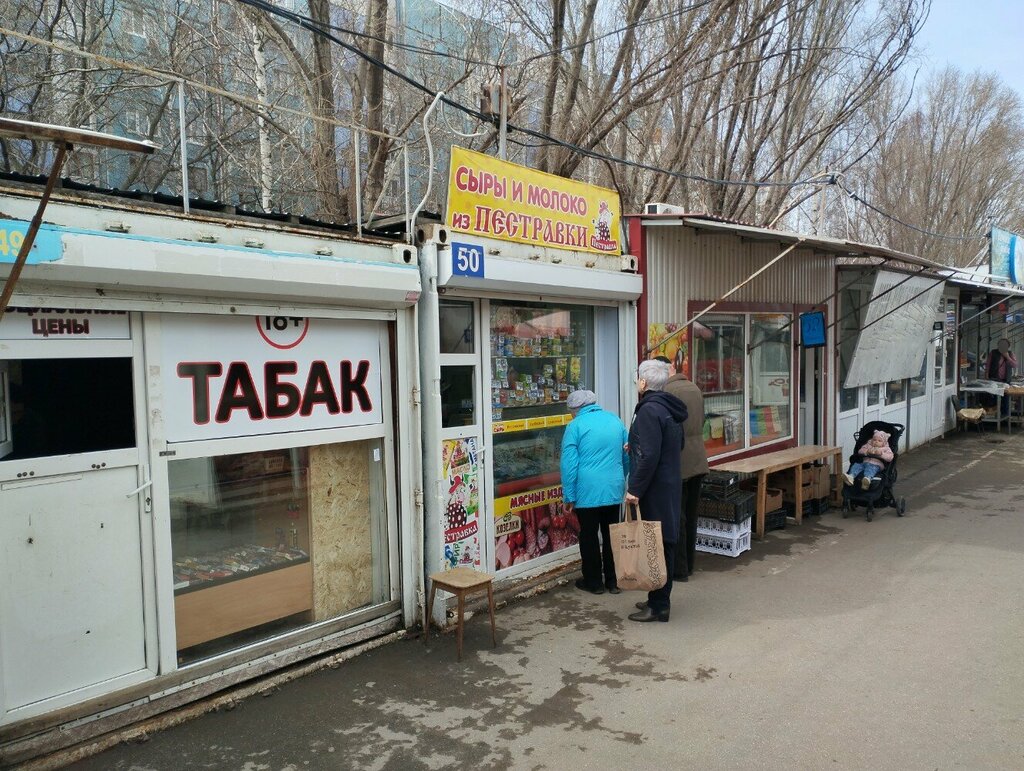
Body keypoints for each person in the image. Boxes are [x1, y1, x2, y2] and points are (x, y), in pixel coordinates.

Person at [625, 359, 687, 622]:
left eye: (638, 377)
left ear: (643, 382)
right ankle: (656, 597)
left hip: (655, 488)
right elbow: (675, 444)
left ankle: (660, 605)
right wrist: (635, 445)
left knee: (658, 544)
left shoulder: (649, 410)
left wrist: (635, 489)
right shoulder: (667, 407)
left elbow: (651, 456)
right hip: (669, 482)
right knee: (662, 541)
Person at [560, 390, 629, 595]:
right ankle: (613, 581)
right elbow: (627, 456)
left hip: (586, 491)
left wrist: (569, 496)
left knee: (589, 535)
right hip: (613, 488)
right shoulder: (615, 421)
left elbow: (569, 465)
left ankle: (593, 582)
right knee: (611, 535)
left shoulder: (575, 427)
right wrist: (619, 477)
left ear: (575, 409)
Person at [656, 355, 708, 582]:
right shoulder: (694, 388)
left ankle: (679, 568)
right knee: (691, 512)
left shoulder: (668, 392)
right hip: (698, 458)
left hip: (679, 460)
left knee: (677, 516)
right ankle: (689, 564)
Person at [986, 338, 1018, 416]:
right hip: (994, 379)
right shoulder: (993, 353)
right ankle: (994, 415)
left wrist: (1007, 357)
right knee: (994, 398)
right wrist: (986, 375)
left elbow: (1015, 365)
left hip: (1006, 380)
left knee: (1005, 399)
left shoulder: (1010, 354)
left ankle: (1005, 416)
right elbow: (988, 364)